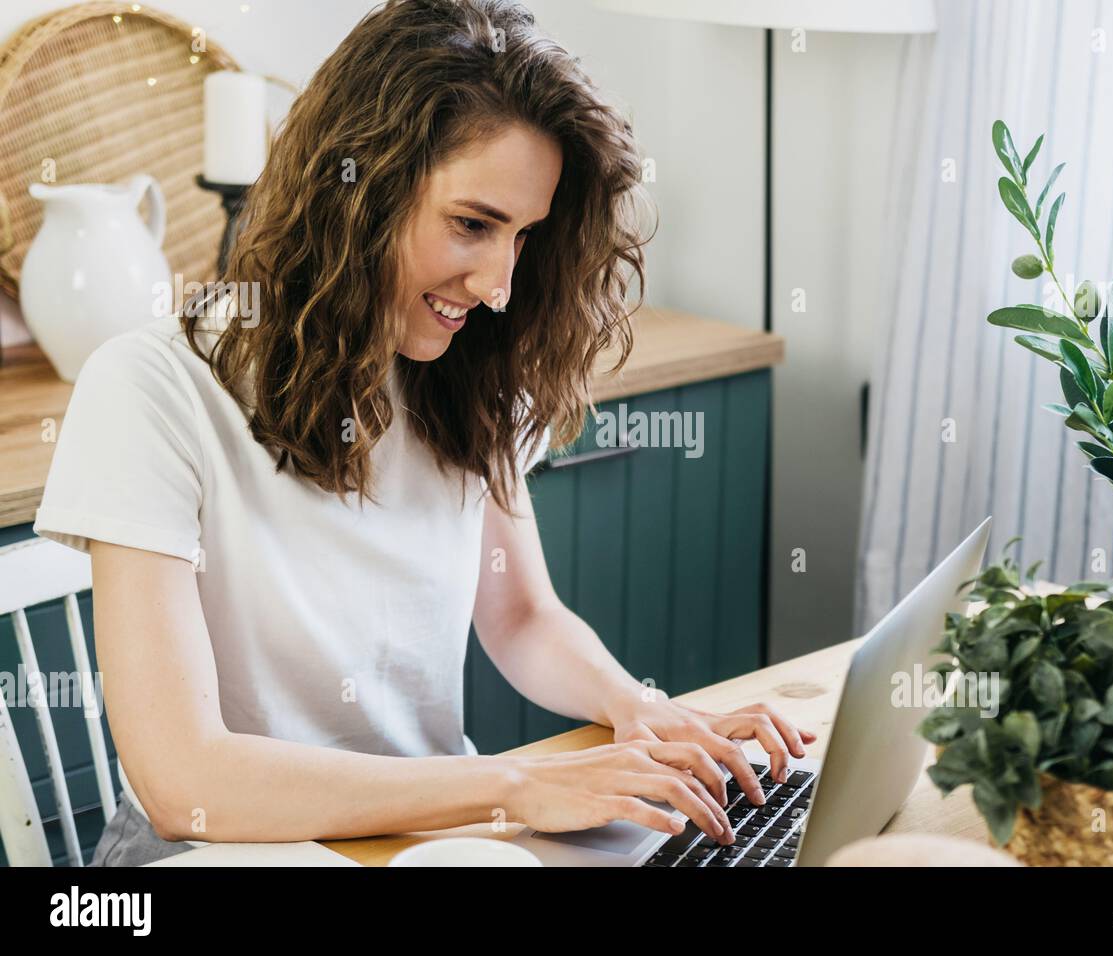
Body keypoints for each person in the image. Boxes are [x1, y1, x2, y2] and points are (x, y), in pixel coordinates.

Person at [34, 0, 813, 866]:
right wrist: (511, 788)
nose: (500, 284)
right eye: (472, 225)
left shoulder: (472, 376)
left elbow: (521, 617)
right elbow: (185, 782)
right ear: (355, 190)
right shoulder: (154, 389)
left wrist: (641, 708)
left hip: (431, 835)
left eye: (524, 236)